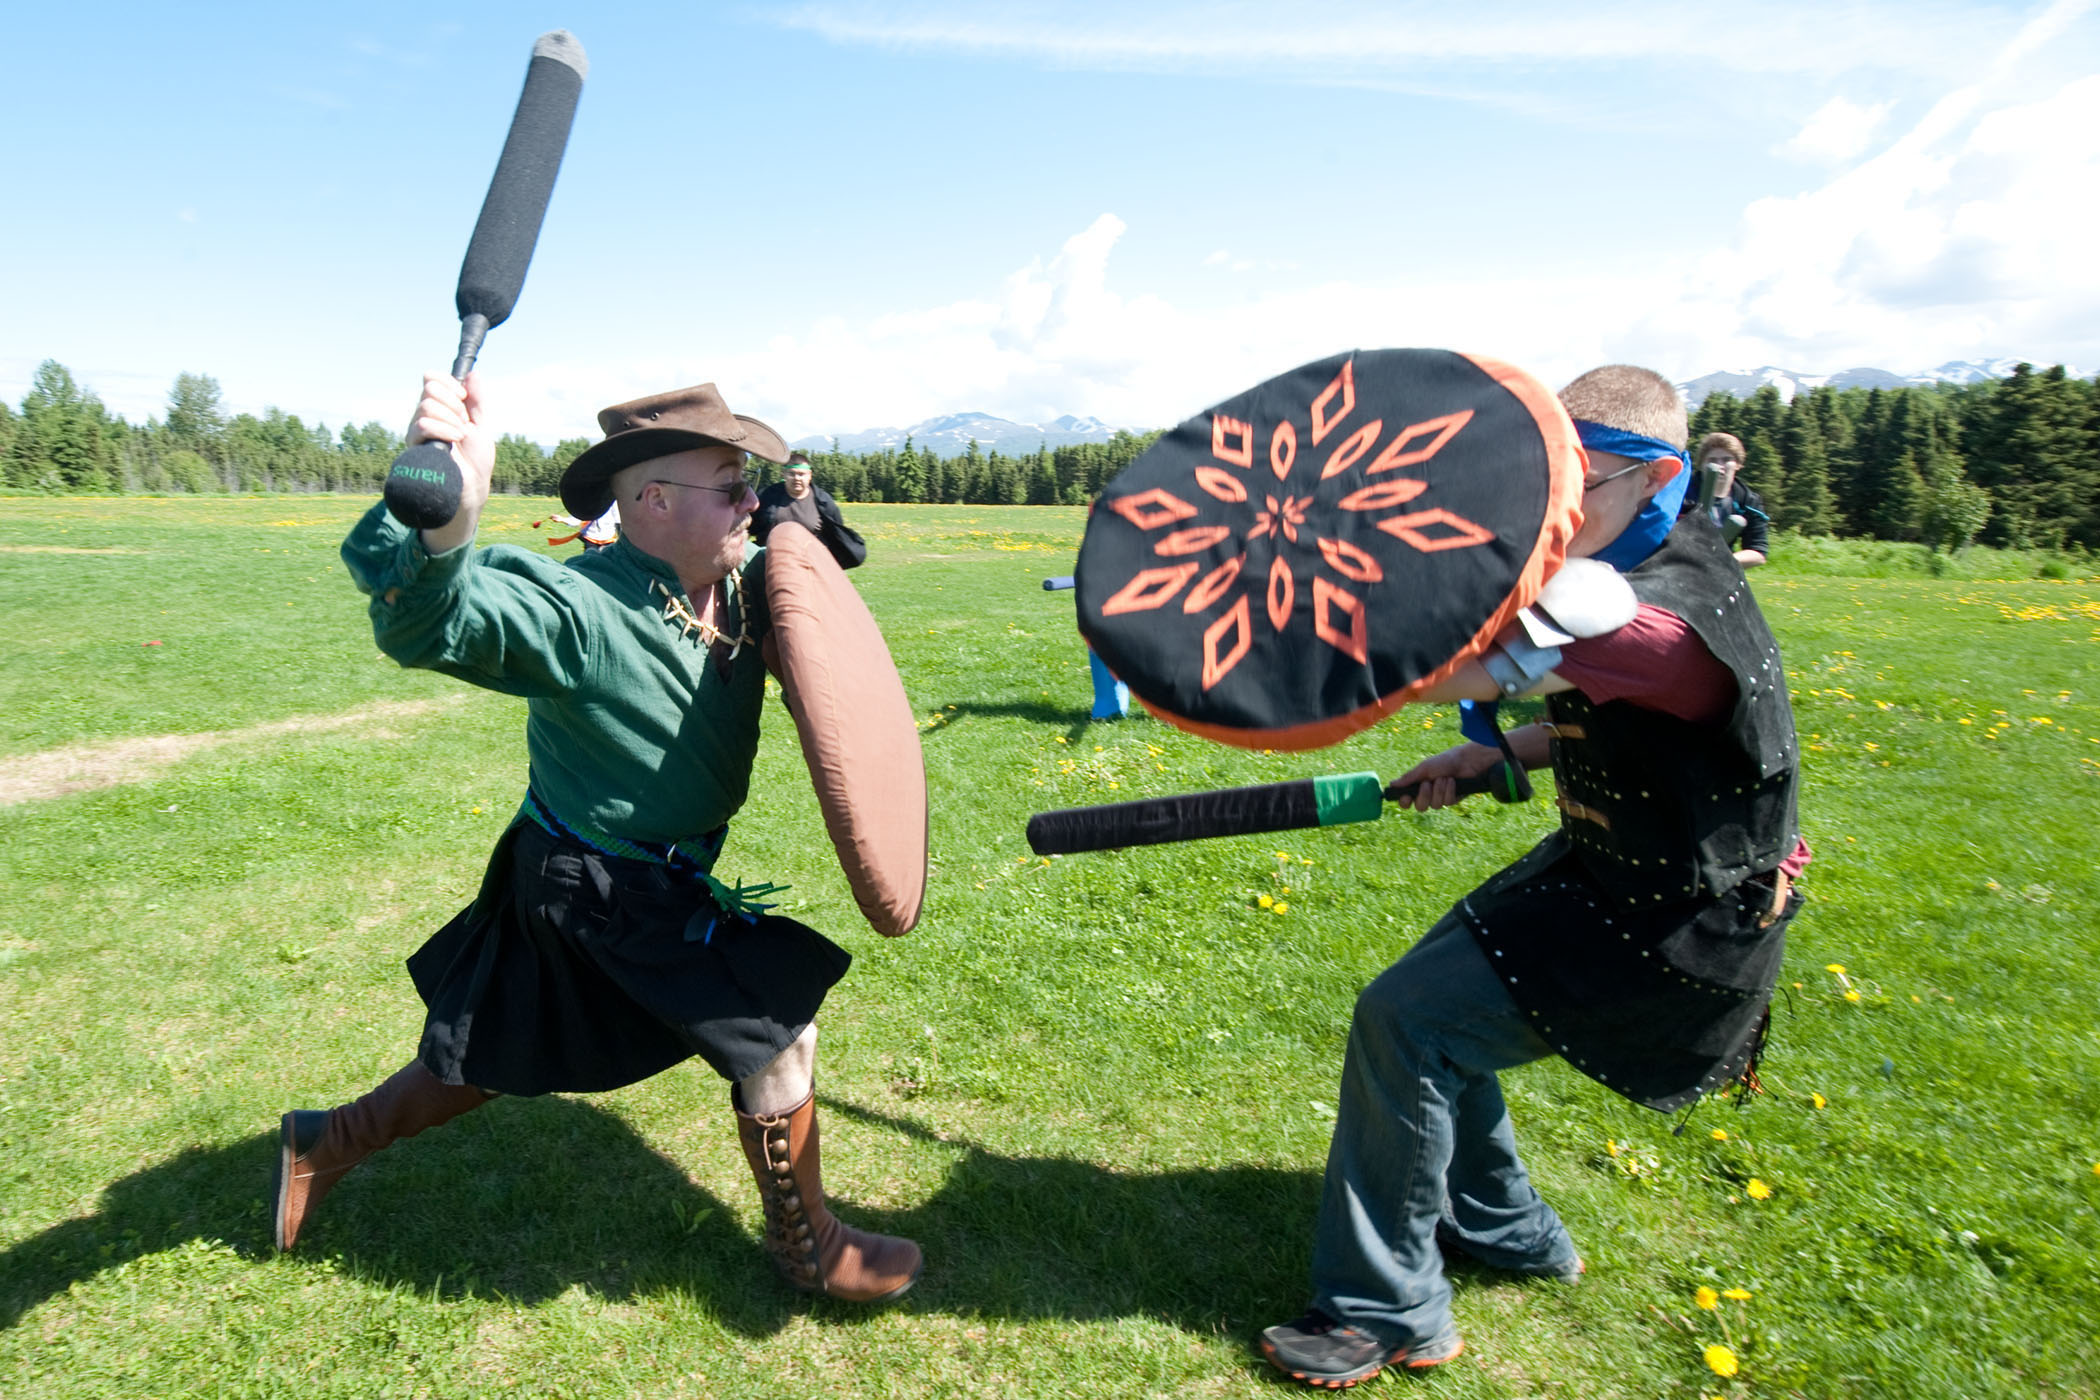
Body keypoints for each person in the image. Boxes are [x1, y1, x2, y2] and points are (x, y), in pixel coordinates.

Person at [278, 374, 921, 1303]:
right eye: (732, 485)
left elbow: (818, 593)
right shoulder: (584, 610)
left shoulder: (732, 586)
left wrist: (801, 554)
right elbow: (434, 621)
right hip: (595, 883)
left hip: (625, 875)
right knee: (779, 1035)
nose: (754, 502)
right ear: (653, 501)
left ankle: (322, 1142)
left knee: (500, 1052)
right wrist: (444, 521)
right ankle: (808, 1243)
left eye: (752, 484)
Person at [1260, 365, 1810, 1389]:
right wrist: (1493, 756)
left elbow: (1459, 667)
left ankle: (1385, 1313)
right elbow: (1619, 711)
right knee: (1426, 1012)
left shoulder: (1654, 614)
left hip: (1679, 921)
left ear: (1657, 482)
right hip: (1610, 872)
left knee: (1411, 1021)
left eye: (1580, 481)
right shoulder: (1640, 569)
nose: (1551, 508)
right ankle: (1515, 1234)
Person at [752, 450, 865, 569]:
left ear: (809, 475)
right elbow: (750, 526)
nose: (797, 478)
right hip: (770, 563)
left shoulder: (823, 501)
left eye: (801, 474)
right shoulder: (768, 496)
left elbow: (836, 533)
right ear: (783, 474)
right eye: (792, 474)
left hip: (810, 565)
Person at [1685, 431, 1771, 568]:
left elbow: (1758, 552)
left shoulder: (1748, 501)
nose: (1719, 466)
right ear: (1701, 464)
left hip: (1720, 569)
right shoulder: (1682, 494)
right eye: (1712, 460)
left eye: (1726, 460)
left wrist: (1722, 559)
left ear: (1738, 464)